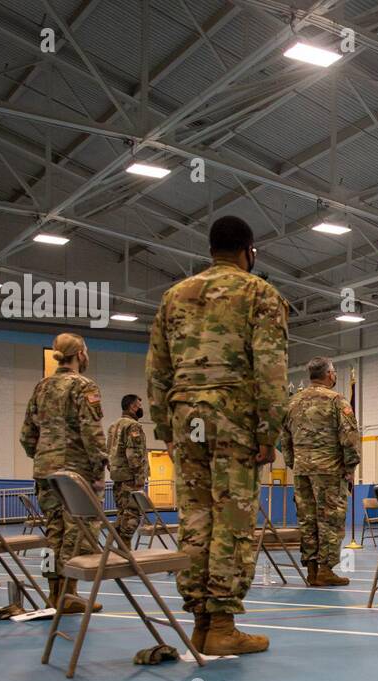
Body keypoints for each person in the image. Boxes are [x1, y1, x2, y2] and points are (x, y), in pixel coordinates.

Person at [147, 215, 289, 655]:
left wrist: (164, 428)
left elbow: (157, 368)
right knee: (232, 519)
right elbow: (270, 369)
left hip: (185, 418)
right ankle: (223, 625)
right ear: (248, 252)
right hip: (233, 417)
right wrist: (268, 430)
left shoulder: (174, 296)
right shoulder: (259, 293)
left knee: (194, 517)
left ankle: (200, 623)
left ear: (211, 250)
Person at [21, 333, 108, 614]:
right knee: (79, 531)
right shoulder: (84, 386)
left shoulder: (41, 387)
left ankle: (54, 593)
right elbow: (91, 432)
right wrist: (99, 465)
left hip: (45, 471)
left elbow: (27, 434)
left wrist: (43, 458)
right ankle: (69, 592)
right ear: (80, 354)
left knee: (53, 533)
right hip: (76, 472)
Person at [280, 357, 360, 586]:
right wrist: (350, 467)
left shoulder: (292, 403)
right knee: (330, 520)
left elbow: (284, 439)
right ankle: (325, 569)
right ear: (328, 374)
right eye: (333, 372)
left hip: (301, 470)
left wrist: (294, 463)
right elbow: (349, 437)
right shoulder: (336, 400)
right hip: (329, 470)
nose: (334, 376)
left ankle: (312, 570)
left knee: (307, 519)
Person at [107, 394, 149, 543]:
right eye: (139, 405)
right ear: (132, 406)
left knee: (122, 513)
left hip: (117, 477)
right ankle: (124, 546)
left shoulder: (113, 426)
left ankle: (115, 547)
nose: (141, 409)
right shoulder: (133, 426)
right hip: (130, 478)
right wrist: (139, 478)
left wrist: (114, 470)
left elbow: (108, 452)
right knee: (133, 514)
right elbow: (134, 453)